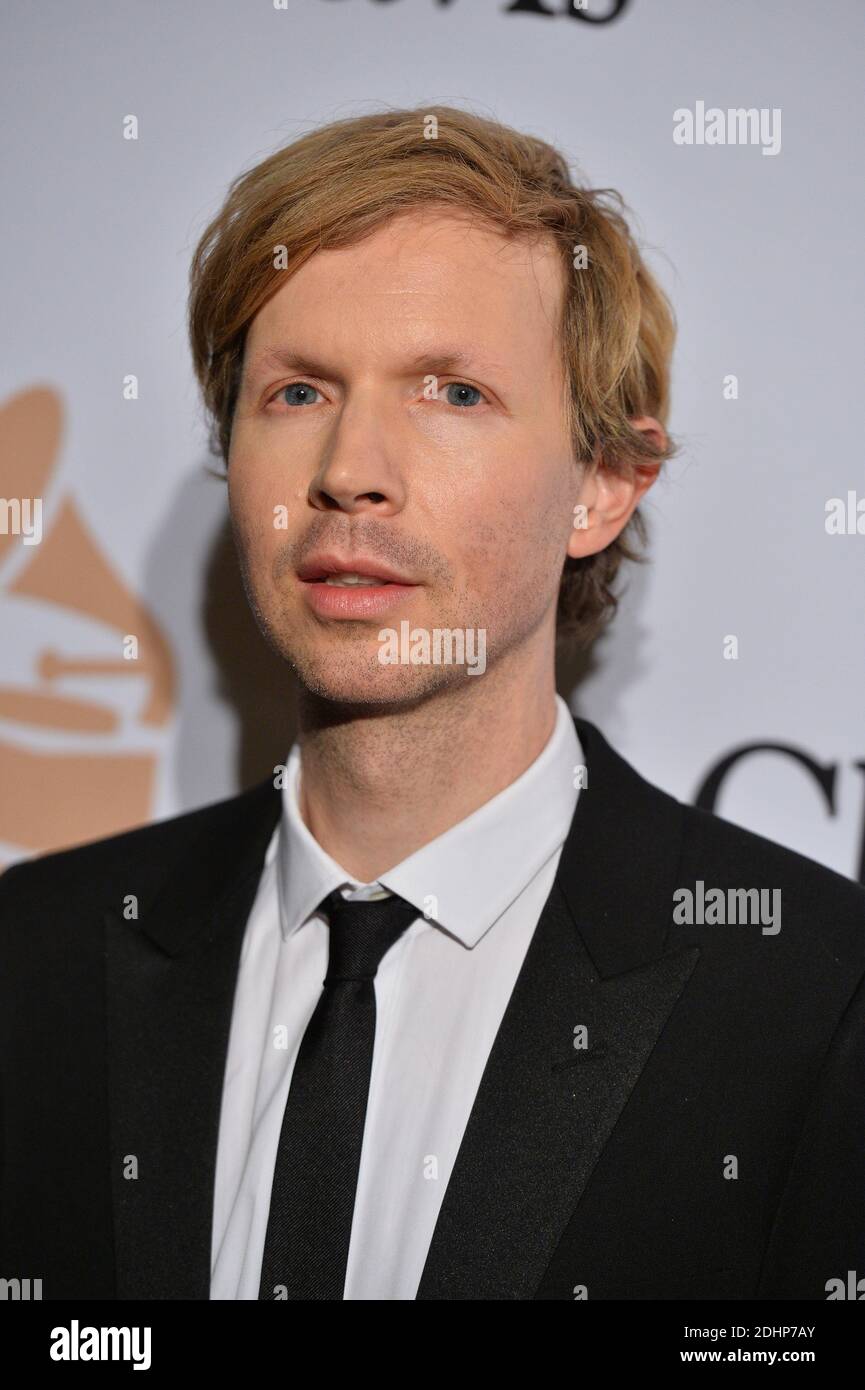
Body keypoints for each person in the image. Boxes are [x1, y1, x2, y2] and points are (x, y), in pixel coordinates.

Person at [1, 106, 863, 1302]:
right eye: (298, 392)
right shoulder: (29, 961)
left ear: (604, 485)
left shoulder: (817, 999)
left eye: (451, 392)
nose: (350, 467)